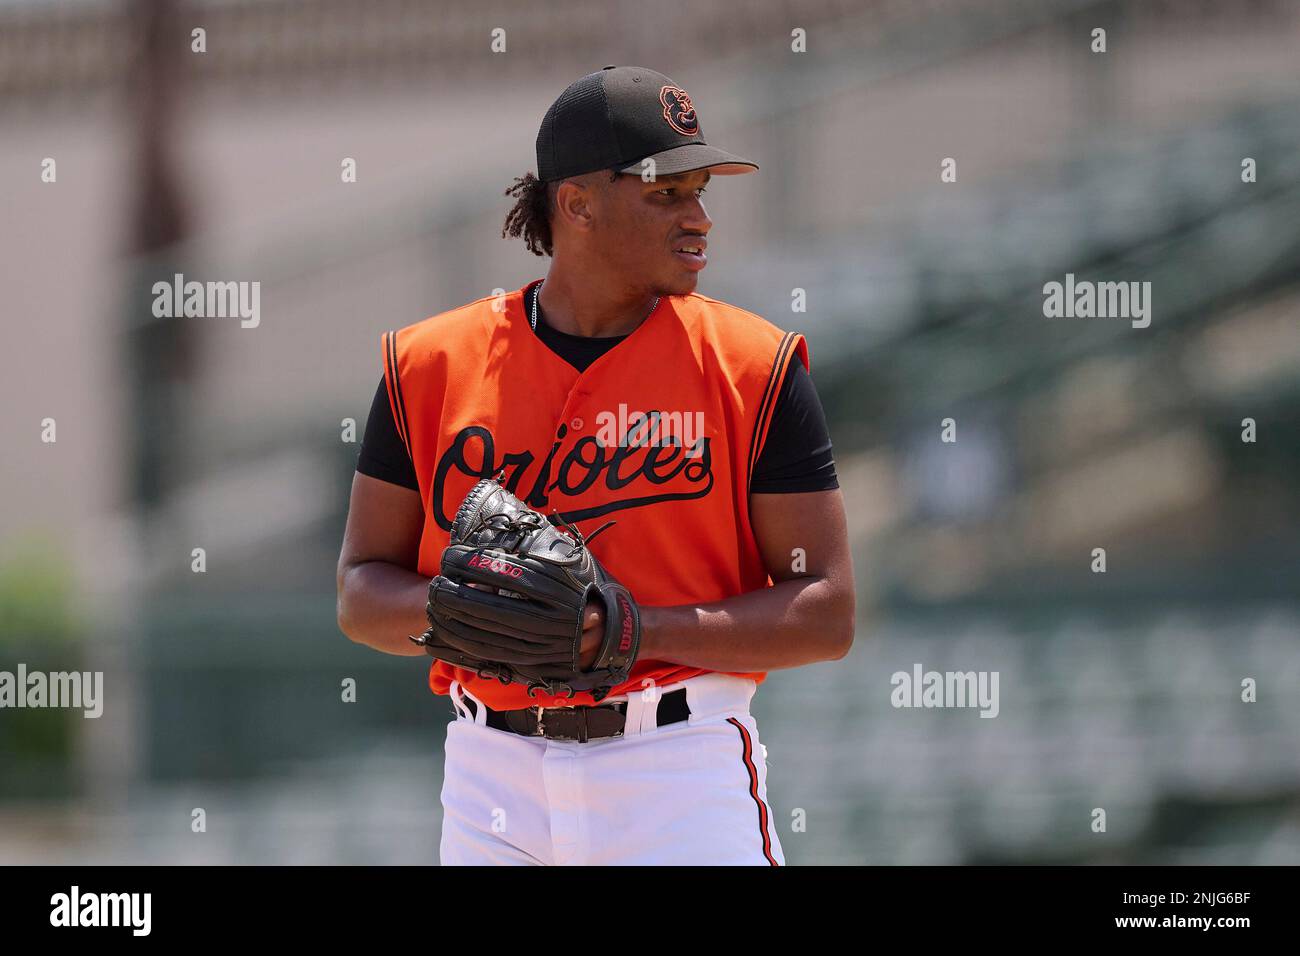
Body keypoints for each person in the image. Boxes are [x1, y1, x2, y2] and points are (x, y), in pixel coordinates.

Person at [337, 66, 855, 865]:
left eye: (702, 190)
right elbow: (360, 591)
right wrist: (471, 618)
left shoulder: (754, 367)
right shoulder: (429, 365)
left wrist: (636, 630)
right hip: (491, 780)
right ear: (575, 204)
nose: (700, 218)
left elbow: (827, 609)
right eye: (666, 192)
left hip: (678, 772)